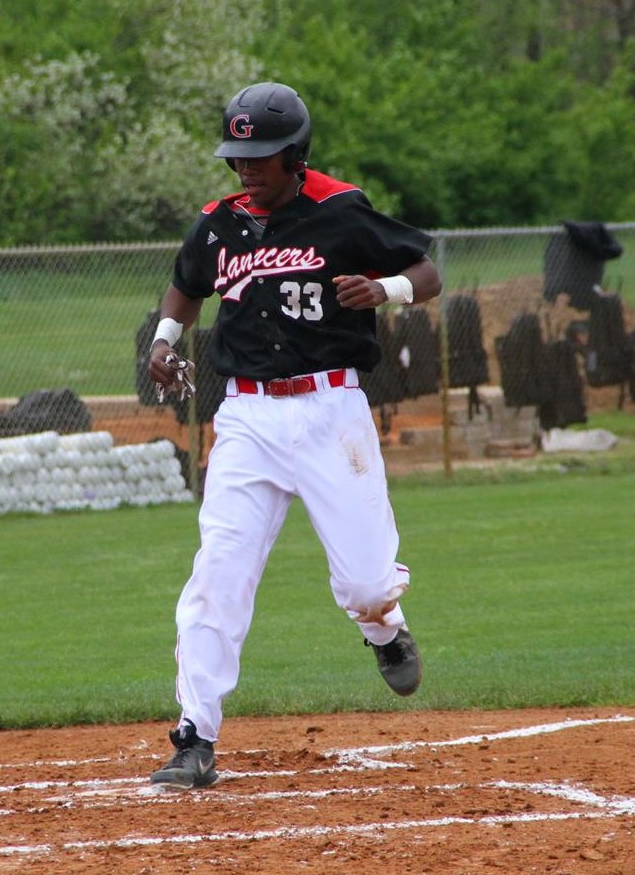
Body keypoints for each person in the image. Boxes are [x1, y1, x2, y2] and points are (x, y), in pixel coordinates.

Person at [143, 81, 442, 790]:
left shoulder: (341, 210)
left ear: (296, 156)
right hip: (246, 417)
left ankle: (383, 627)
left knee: (367, 582)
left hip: (330, 411)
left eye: (262, 156)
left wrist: (386, 290)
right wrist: (164, 339)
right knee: (219, 573)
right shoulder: (219, 223)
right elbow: (187, 283)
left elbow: (426, 270)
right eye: (238, 155)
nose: (246, 168)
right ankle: (195, 736)